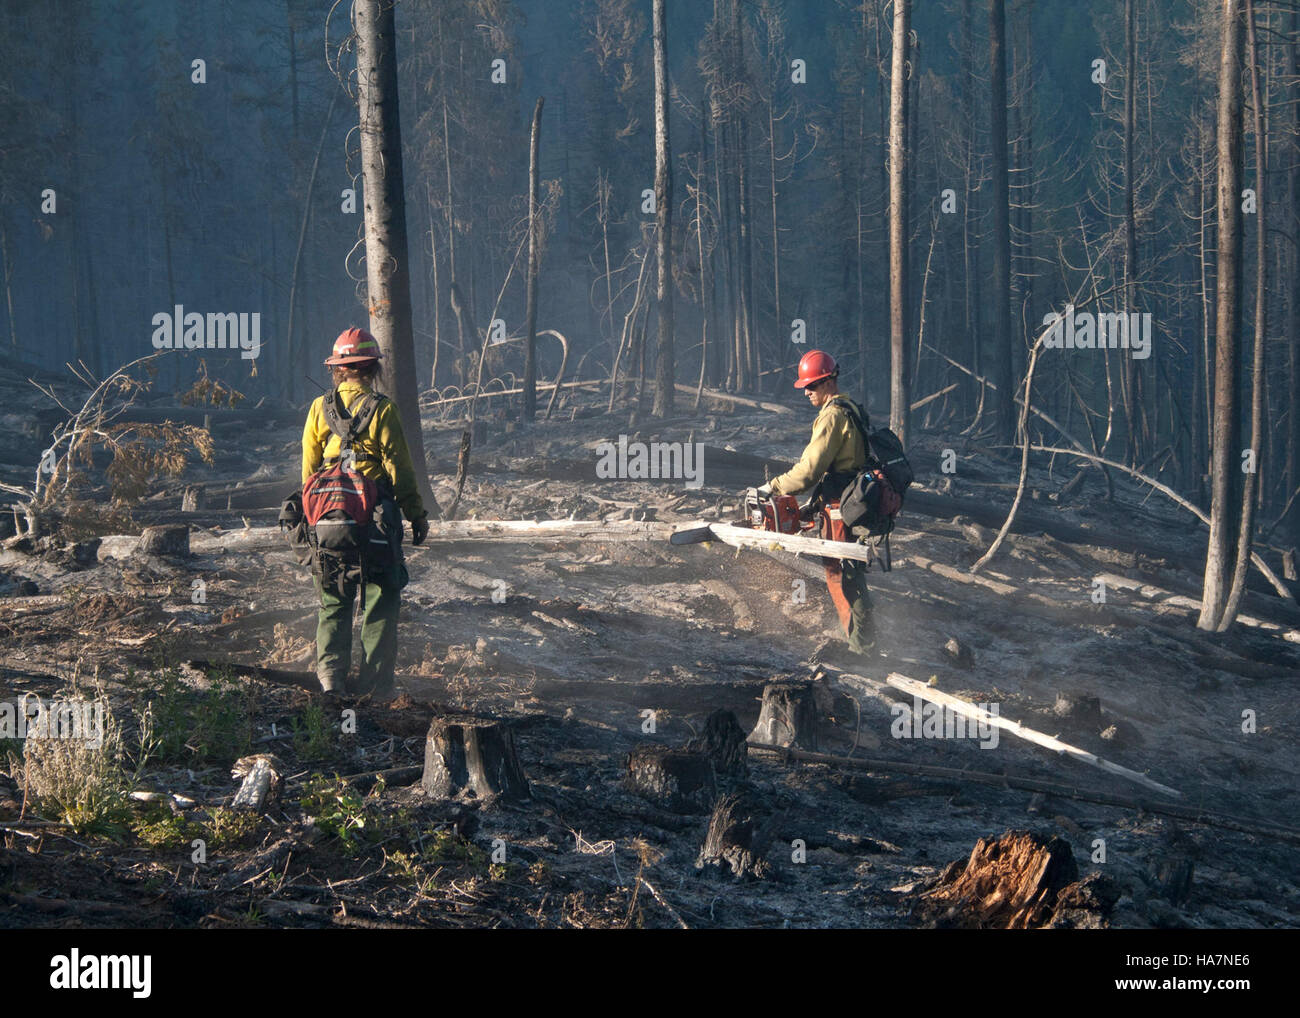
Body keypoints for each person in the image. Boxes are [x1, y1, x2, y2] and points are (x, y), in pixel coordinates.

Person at [301, 328, 430, 697]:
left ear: (338, 370)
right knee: (380, 598)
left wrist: (316, 522)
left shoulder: (317, 409)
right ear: (372, 368)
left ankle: (330, 679)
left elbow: (309, 473)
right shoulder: (383, 409)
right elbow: (400, 470)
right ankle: (375, 687)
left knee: (333, 598)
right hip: (375, 523)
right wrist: (415, 514)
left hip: (328, 525)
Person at [758, 349, 876, 656]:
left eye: (811, 385)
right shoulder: (849, 407)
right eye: (805, 386)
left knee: (841, 573)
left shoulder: (832, 416)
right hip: (850, 502)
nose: (807, 391)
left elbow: (809, 471)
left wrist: (773, 486)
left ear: (828, 382)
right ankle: (861, 642)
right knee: (849, 571)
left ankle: (862, 649)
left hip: (841, 507)